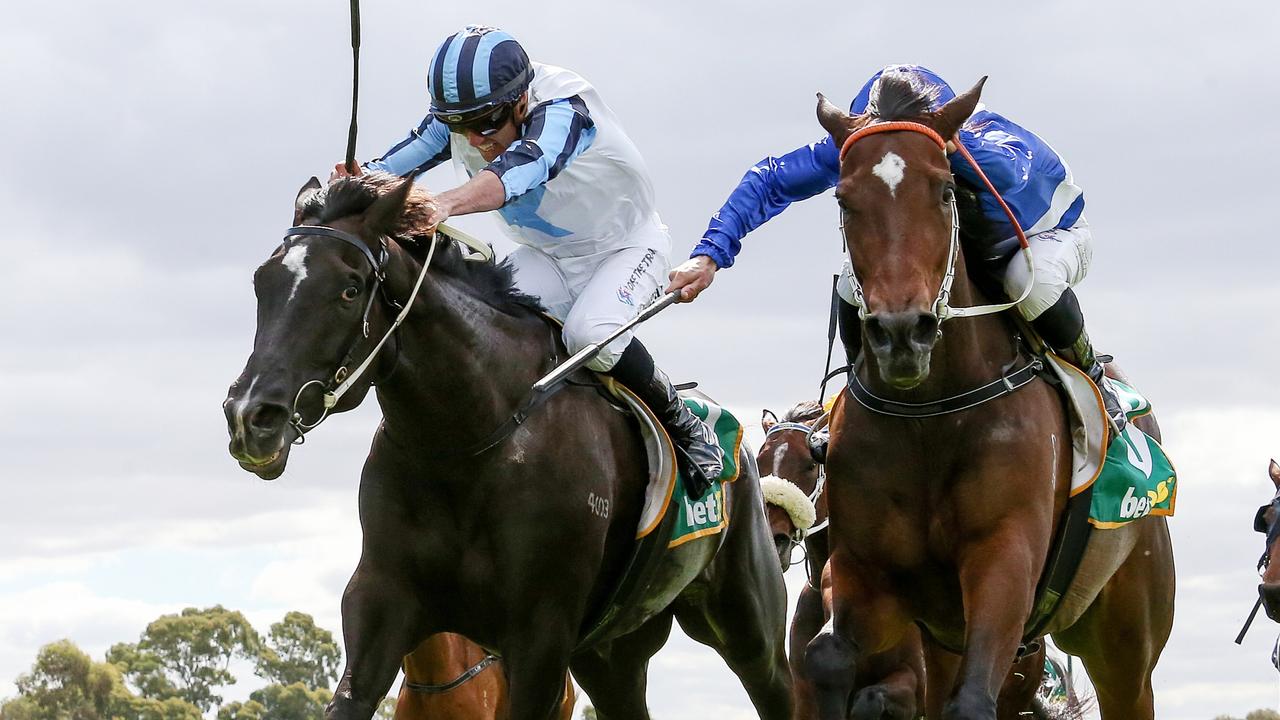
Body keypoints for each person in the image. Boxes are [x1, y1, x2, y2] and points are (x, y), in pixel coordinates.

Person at [333, 25, 722, 493]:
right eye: (460, 126)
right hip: (547, 257)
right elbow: (388, 167)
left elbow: (523, 168)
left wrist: (444, 204)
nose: (474, 139)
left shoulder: (565, 107)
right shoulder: (466, 118)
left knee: (590, 333)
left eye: (486, 124)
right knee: (478, 322)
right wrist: (355, 184)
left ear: (521, 101)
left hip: (627, 248)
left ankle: (683, 425)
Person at [667, 64, 1126, 429]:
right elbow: (768, 181)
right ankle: (851, 395)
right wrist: (709, 255)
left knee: (1032, 281)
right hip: (946, 247)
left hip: (1046, 238)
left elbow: (1010, 176)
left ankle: (1095, 382)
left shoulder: (987, 138)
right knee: (854, 284)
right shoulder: (868, 142)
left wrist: (957, 147)